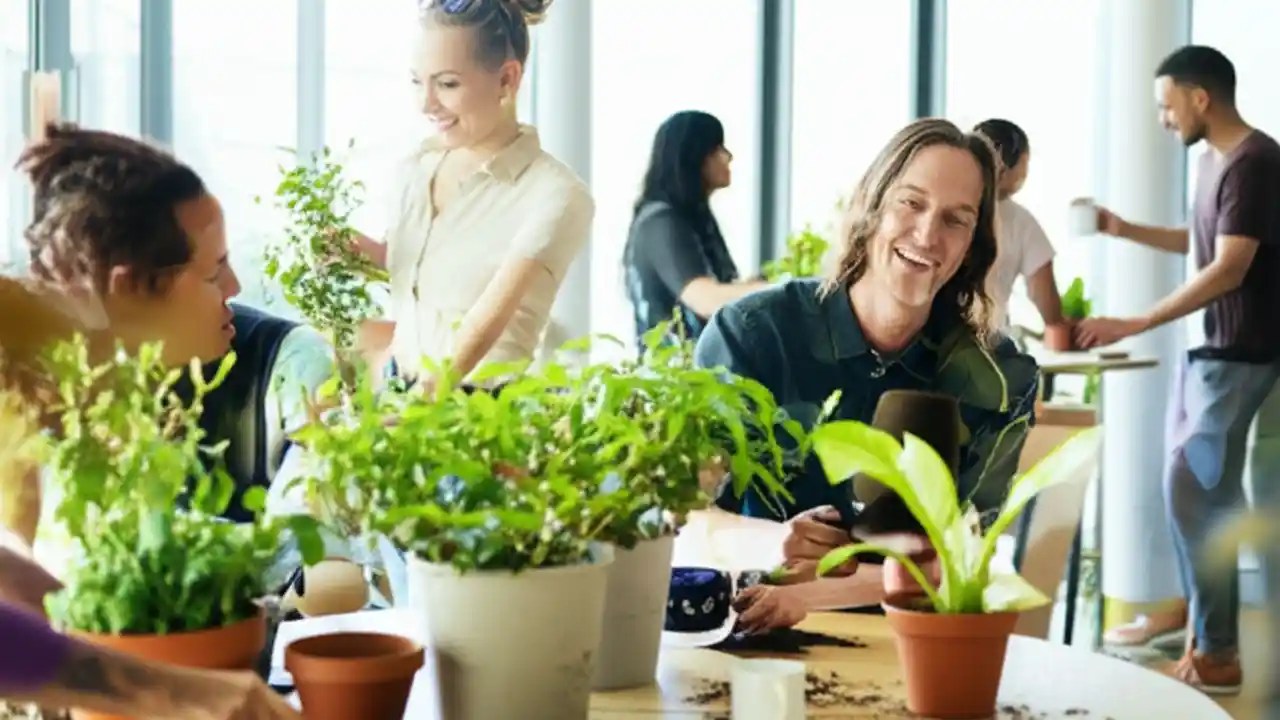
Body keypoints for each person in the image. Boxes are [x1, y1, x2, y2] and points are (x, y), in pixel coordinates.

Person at [693, 118, 1039, 628]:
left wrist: (816, 594)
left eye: (955, 219)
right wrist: (773, 542)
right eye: (911, 203)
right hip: (750, 628)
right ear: (872, 206)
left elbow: (965, 555)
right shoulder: (754, 335)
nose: (927, 234)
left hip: (910, 636)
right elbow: (682, 516)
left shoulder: (997, 377)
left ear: (974, 245)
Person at [1074, 45, 1280, 695]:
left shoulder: (1256, 162)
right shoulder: (1215, 162)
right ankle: (1203, 636)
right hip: (1214, 352)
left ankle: (1217, 655)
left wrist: (1134, 322)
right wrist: (1121, 227)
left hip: (1245, 353)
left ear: (1199, 97)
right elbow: (1202, 243)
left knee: (1197, 491)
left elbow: (1230, 267)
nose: (1163, 119)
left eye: (1167, 105)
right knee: (1193, 493)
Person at [15, 124, 336, 530]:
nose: (234, 287)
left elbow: (324, 562)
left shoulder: (287, 367)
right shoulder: (33, 399)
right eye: (213, 272)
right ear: (128, 288)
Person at [344, 0, 592, 387]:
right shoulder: (415, 168)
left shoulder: (554, 194)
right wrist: (357, 252)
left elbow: (488, 317)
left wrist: (424, 402)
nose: (426, 104)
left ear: (507, 80)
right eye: (416, 82)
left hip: (476, 415)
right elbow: (426, 276)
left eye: (446, 84)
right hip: (399, 386)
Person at [623, 110, 768, 345]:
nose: (728, 157)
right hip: (675, 376)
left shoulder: (689, 219)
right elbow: (706, 300)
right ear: (695, 156)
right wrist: (777, 291)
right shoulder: (661, 222)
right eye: (718, 148)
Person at [971, 119, 1064, 332]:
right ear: (1018, 162)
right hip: (989, 342)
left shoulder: (945, 204)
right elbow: (1045, 299)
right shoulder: (1021, 221)